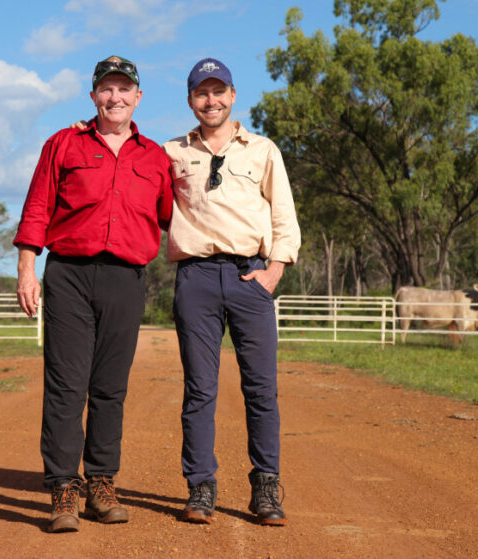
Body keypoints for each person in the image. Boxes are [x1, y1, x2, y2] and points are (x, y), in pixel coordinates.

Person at [13, 55, 173, 533]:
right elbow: (37, 205)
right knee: (66, 384)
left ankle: (101, 482)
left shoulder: (156, 157)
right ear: (93, 96)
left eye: (125, 89)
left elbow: (171, 217)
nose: (115, 97)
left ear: (138, 97)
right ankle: (64, 487)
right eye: (106, 89)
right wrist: (27, 269)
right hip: (69, 275)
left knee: (110, 387)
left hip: (126, 278)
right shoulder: (63, 143)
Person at [164, 58, 301, 526]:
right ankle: (200, 486)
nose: (211, 100)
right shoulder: (171, 153)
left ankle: (265, 487)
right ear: (190, 101)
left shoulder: (262, 150)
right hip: (196, 279)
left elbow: (284, 214)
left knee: (261, 389)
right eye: (202, 93)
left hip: (250, 278)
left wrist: (274, 270)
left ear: (233, 95)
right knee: (199, 389)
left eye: (219, 91)